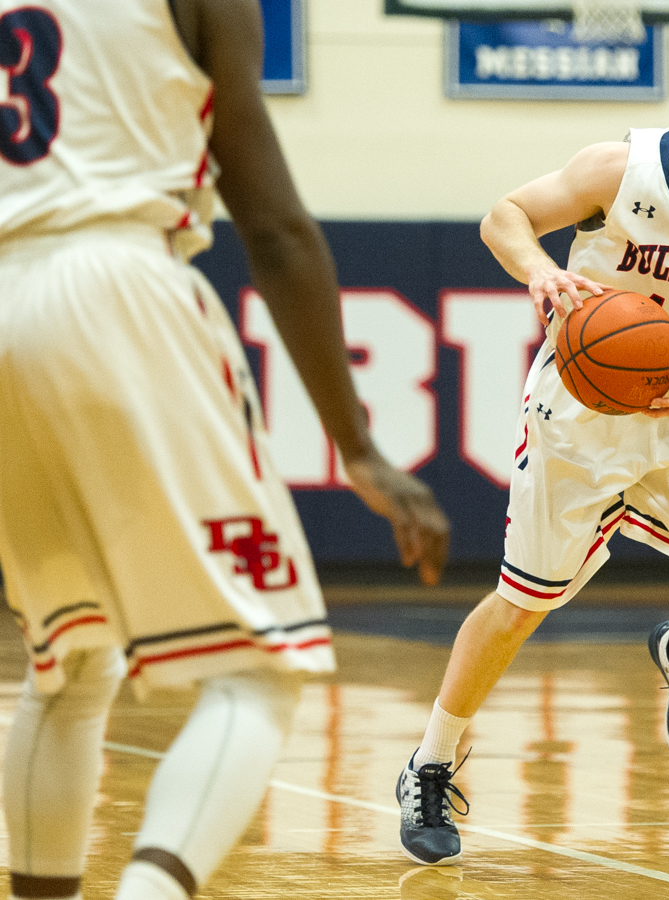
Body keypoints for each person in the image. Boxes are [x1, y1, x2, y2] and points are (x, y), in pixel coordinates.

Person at [0, 1, 450, 899]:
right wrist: (356, 446)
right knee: (264, 669)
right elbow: (276, 229)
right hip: (115, 279)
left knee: (71, 659)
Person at [394, 44, 669, 865]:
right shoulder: (622, 168)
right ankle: (432, 761)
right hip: (580, 416)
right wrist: (540, 273)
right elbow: (504, 216)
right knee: (523, 604)